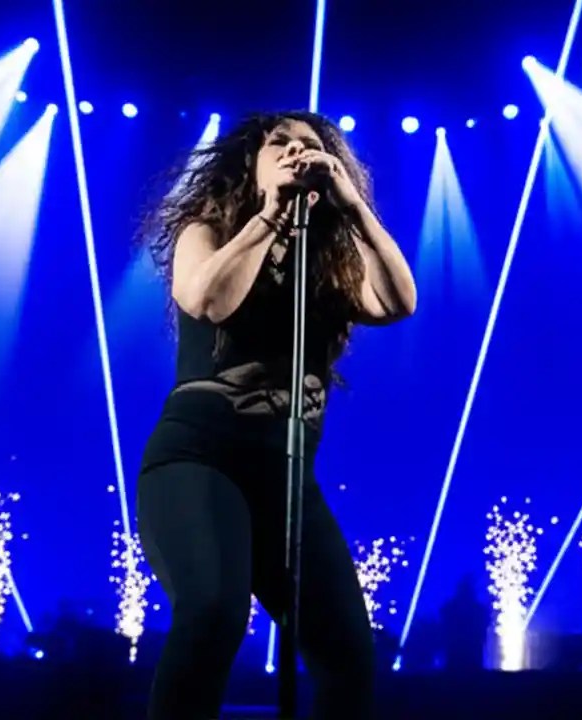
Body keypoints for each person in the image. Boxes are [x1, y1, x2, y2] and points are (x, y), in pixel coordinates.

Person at [136, 111, 416, 719]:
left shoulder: (329, 260)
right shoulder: (206, 230)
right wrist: (269, 214)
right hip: (198, 459)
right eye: (279, 143)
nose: (295, 151)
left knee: (348, 653)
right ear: (250, 162)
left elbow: (398, 302)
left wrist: (351, 207)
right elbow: (209, 300)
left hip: (286, 479)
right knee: (214, 610)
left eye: (310, 145)